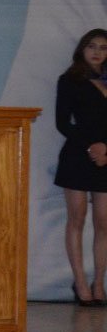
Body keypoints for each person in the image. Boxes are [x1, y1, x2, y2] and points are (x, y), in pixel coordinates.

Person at [53, 29, 107, 306]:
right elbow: (62, 122)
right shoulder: (70, 80)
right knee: (77, 219)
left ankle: (99, 282)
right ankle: (81, 283)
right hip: (77, 155)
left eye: (102, 47)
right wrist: (91, 146)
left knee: (104, 222)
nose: (97, 52)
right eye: (91, 46)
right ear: (82, 49)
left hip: (106, 158)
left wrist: (105, 149)